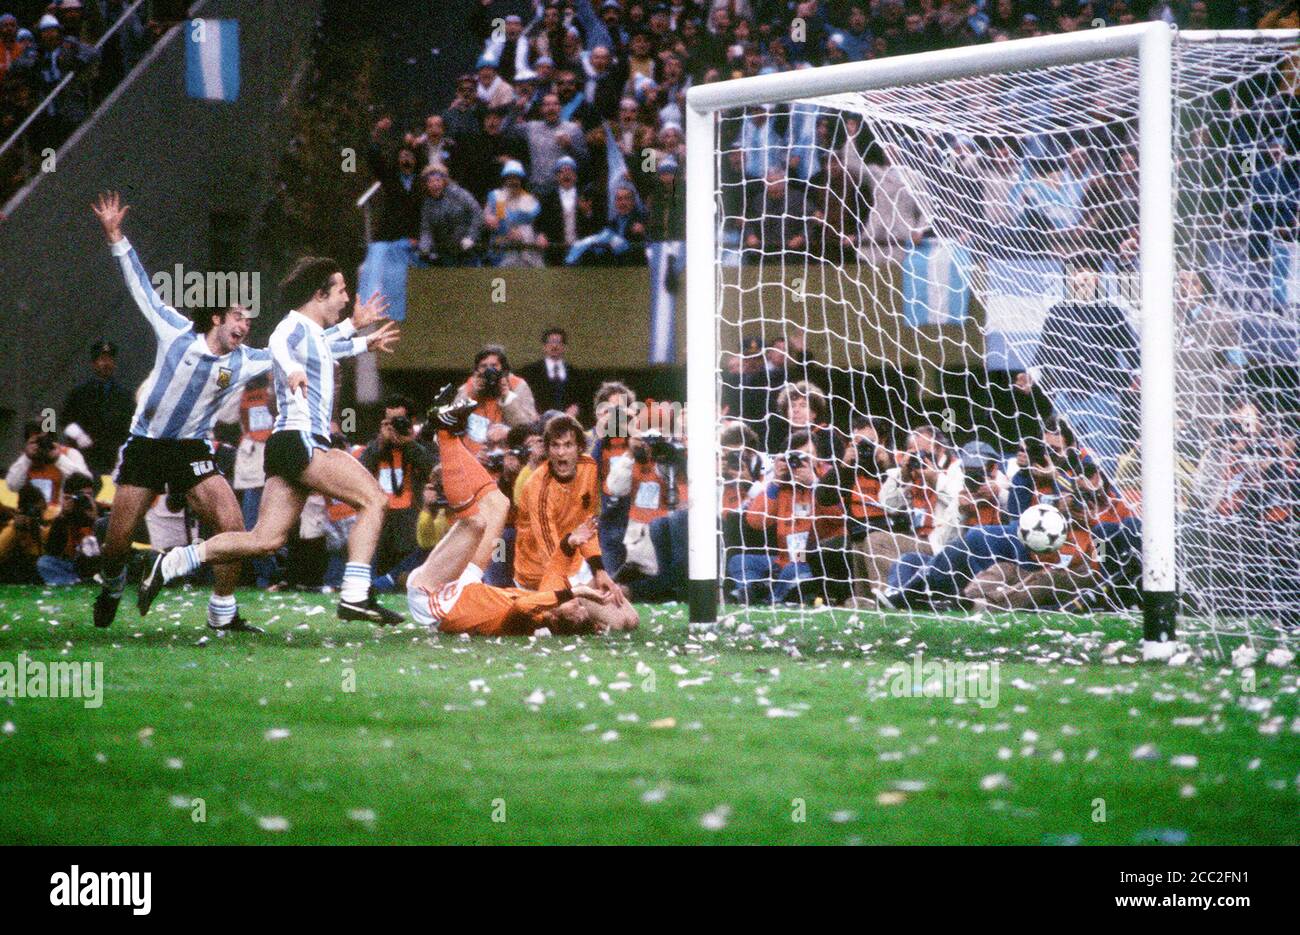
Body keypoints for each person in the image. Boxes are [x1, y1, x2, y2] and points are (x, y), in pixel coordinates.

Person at [136, 253, 403, 624]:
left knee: (265, 539)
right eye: (341, 290)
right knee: (374, 500)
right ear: (319, 294)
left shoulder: (311, 333)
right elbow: (279, 343)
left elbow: (323, 347)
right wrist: (292, 369)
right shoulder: (292, 327)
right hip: (303, 441)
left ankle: (170, 562)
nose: (346, 298)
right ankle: (356, 594)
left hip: (286, 447)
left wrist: (361, 341)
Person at [87, 192, 274, 631]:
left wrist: (351, 334)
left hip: (191, 446)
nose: (244, 326)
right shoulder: (174, 331)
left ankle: (222, 613)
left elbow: (291, 353)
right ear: (215, 317)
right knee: (117, 543)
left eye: (248, 320)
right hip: (147, 444)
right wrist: (116, 236)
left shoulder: (243, 360)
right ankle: (113, 584)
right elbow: (141, 289)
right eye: (237, 317)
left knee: (231, 522)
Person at [405, 392, 632, 636]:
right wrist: (582, 555)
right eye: (556, 445)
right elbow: (557, 567)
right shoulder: (551, 480)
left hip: (435, 601)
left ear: (556, 618)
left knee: (474, 523)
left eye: (576, 607)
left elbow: (526, 604)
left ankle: (444, 435)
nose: (578, 603)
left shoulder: (533, 618)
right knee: (498, 504)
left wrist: (576, 591)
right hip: (469, 587)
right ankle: (446, 432)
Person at [513, 413, 637, 630]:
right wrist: (577, 591)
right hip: (541, 576)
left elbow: (588, 527)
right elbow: (552, 557)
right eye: (555, 446)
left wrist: (599, 571)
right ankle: (557, 613)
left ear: (579, 447)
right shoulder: (538, 488)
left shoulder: (588, 468)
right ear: (548, 449)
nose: (561, 453)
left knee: (631, 620)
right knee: (618, 623)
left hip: (574, 567)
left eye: (568, 445)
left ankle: (581, 609)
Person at [60, 339, 135, 477]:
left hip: (113, 458)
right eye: (102, 359)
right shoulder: (79, 392)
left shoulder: (124, 396)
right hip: (84, 456)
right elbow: (63, 419)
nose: (106, 364)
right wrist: (77, 434)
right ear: (94, 363)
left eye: (109, 359)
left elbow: (131, 424)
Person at [518, 327, 584, 419]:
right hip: (538, 422)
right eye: (551, 342)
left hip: (568, 422)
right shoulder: (530, 372)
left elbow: (581, 399)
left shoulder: (574, 373)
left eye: (558, 342)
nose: (554, 346)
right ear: (544, 346)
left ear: (564, 347)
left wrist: (575, 409)